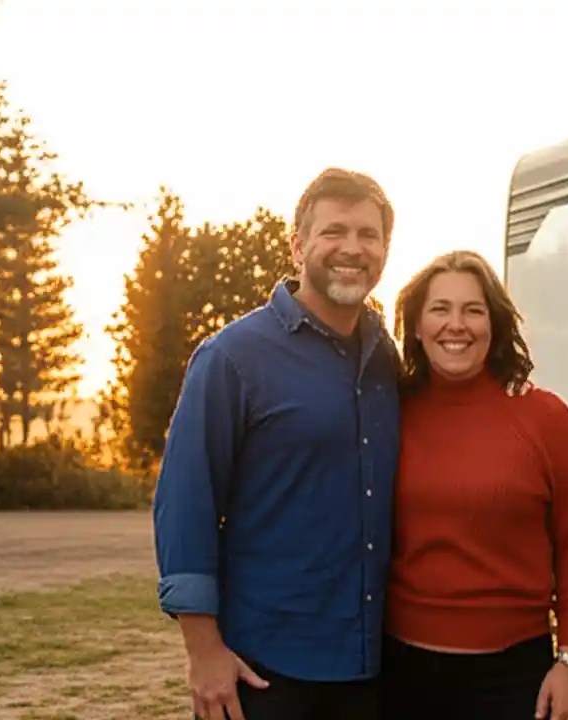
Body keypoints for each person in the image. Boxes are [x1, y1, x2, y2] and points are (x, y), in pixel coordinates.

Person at [152, 167, 400, 720]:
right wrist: (203, 651)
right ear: (298, 245)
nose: (352, 249)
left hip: (370, 670)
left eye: (368, 235)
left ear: (385, 249)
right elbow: (185, 507)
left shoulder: (388, 360)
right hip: (262, 671)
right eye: (334, 231)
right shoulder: (232, 358)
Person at [381, 249, 568, 720]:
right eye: (440, 309)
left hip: (514, 676)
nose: (456, 325)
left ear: (494, 325)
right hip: (401, 673)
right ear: (417, 327)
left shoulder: (545, 418)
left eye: (473, 310)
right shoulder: (388, 413)